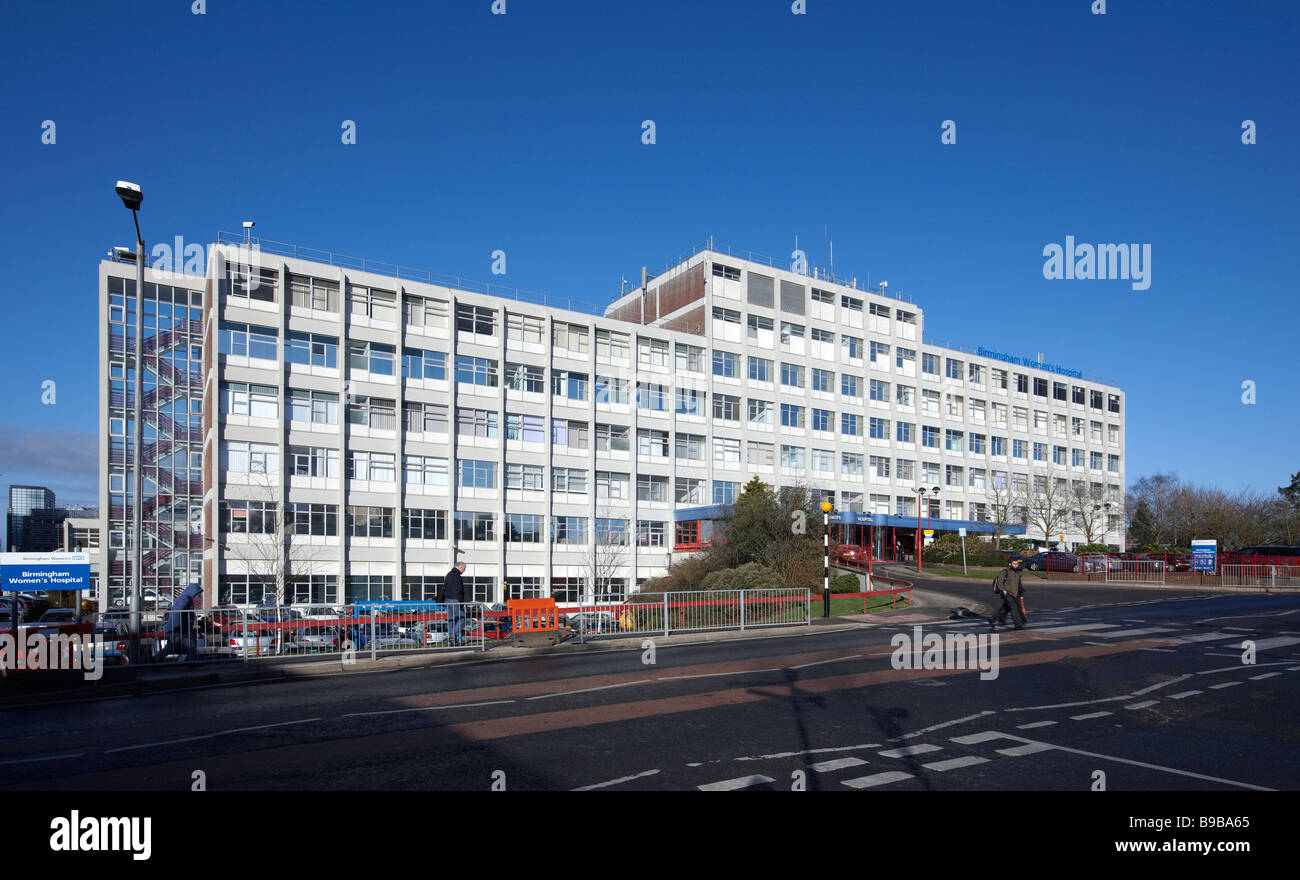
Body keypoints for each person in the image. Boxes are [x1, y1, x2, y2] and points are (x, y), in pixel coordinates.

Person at [989, 554, 1027, 631]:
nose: (1016, 565)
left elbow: (1019, 585)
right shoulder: (1005, 572)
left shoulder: (1017, 573)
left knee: (1006, 608)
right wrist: (1004, 590)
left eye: (1017, 564)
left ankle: (992, 619)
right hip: (1007, 594)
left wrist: (1021, 594)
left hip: (1015, 594)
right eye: (1014, 564)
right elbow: (1000, 582)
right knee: (1014, 609)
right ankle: (1018, 625)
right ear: (1010, 564)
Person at [440, 561, 467, 646]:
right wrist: (461, 602)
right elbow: (458, 590)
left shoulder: (449, 574)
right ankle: (452, 636)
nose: (464, 570)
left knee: (451, 620)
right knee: (462, 619)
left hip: (447, 600)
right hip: (455, 600)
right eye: (464, 568)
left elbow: (445, 587)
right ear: (460, 567)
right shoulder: (457, 576)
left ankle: (451, 639)